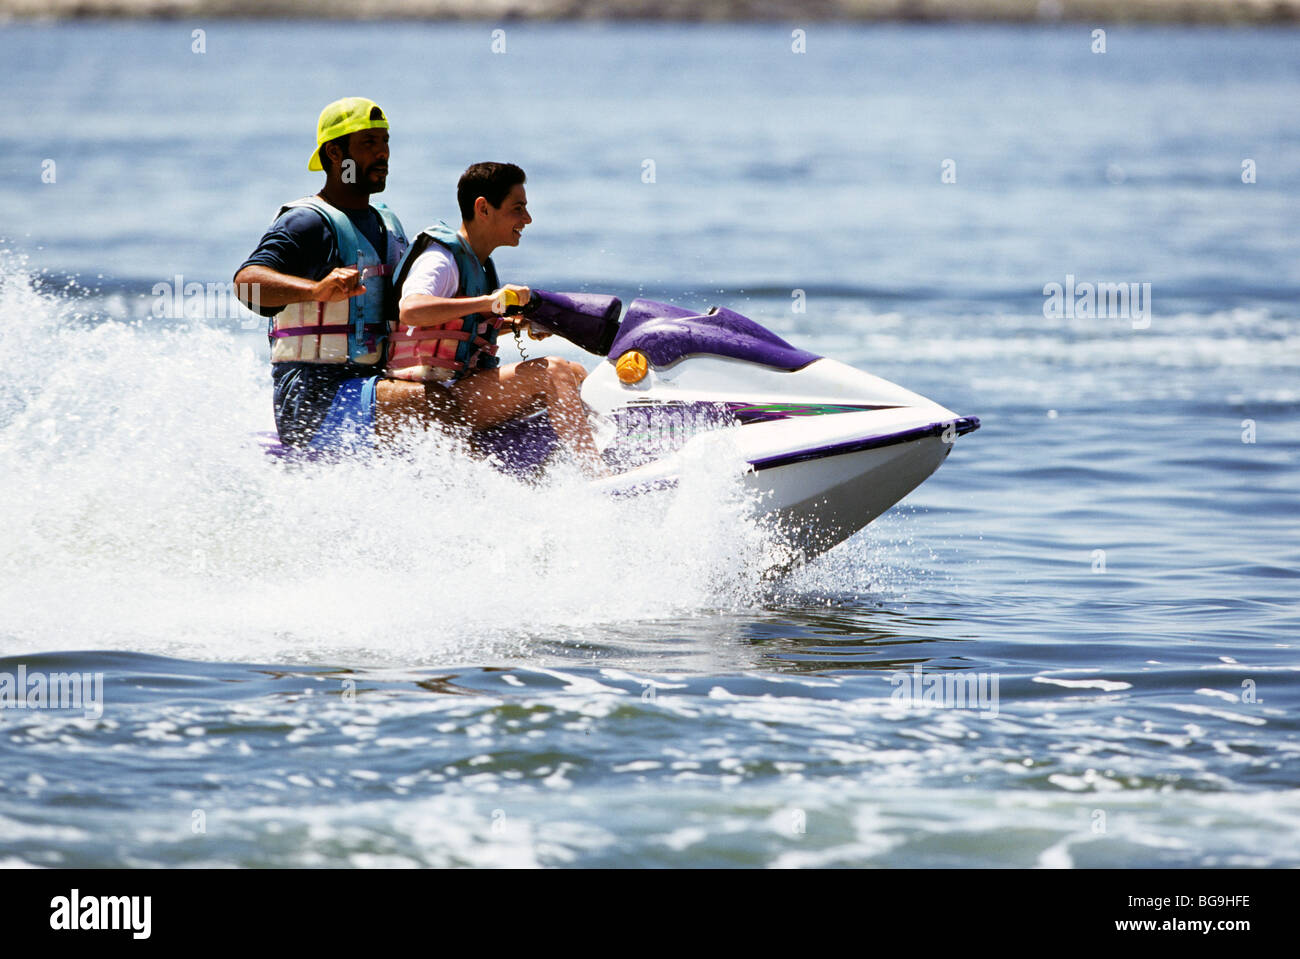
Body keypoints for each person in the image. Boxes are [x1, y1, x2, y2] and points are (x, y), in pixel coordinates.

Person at [234, 97, 466, 451]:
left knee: (470, 394)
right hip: (313, 398)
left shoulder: (388, 224)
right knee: (435, 403)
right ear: (334, 155)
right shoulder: (307, 221)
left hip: (371, 382)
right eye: (368, 144)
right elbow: (246, 284)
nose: (383, 153)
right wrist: (316, 290)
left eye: (385, 141)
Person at [391, 162, 606, 476]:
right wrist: (490, 302)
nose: (527, 219)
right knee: (554, 371)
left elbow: (463, 330)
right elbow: (411, 309)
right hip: (439, 396)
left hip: (464, 387)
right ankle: (597, 473)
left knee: (574, 371)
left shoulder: (480, 264)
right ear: (483, 208)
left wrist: (513, 324)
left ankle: (601, 455)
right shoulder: (441, 260)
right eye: (518, 208)